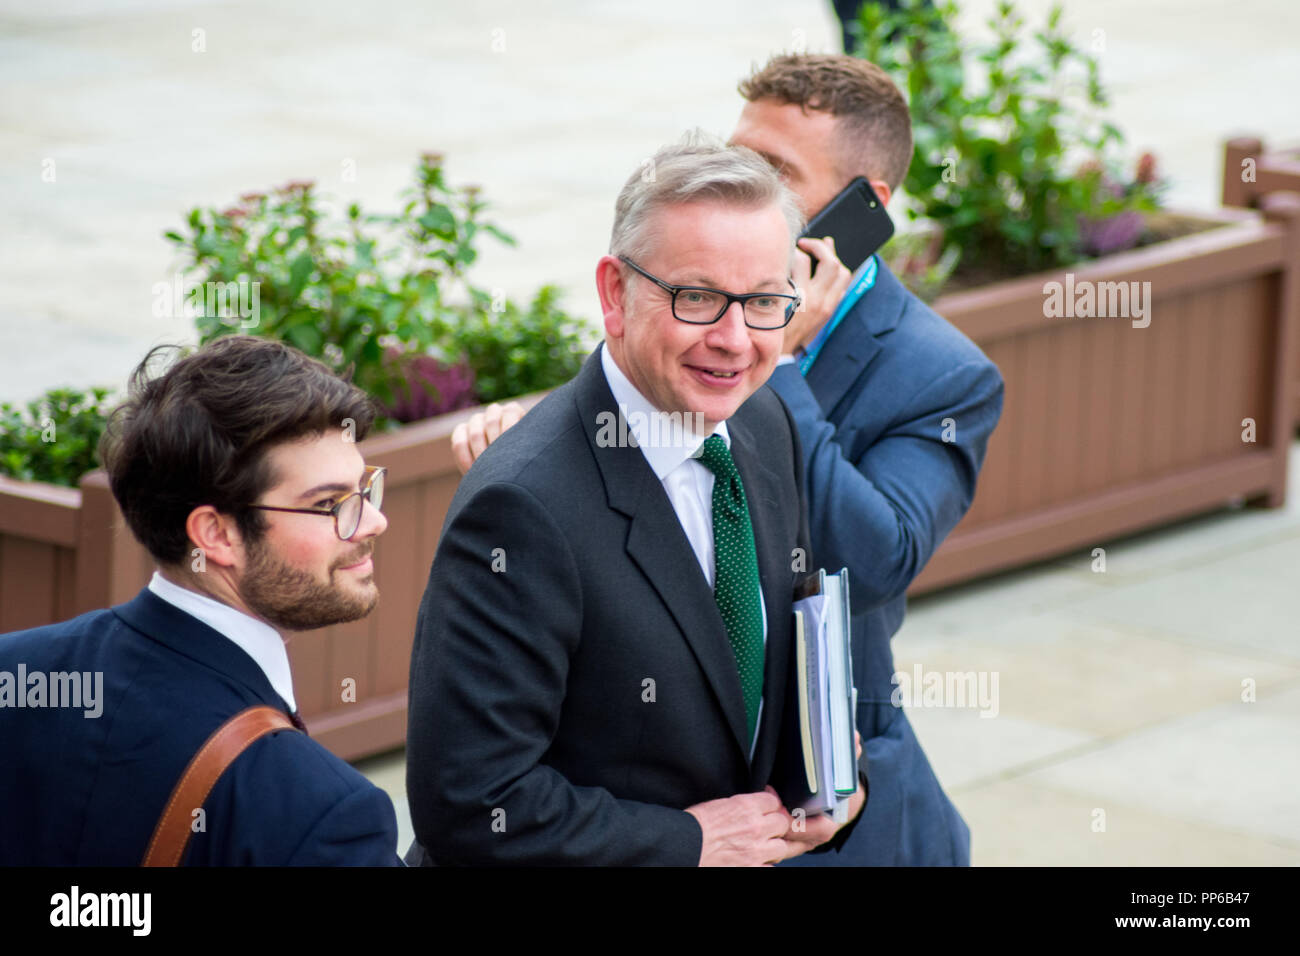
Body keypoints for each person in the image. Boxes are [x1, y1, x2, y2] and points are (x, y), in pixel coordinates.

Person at [451, 54, 1004, 866]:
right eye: (739, 153)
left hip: (829, 778)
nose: (732, 334)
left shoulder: (941, 374)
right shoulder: (691, 288)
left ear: (867, 204)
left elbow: (876, 559)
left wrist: (784, 366)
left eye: (775, 168)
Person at [406, 137, 865, 866]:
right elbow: (471, 803)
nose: (735, 340)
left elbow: (765, 659)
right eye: (699, 297)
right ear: (614, 294)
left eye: (765, 302)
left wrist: (832, 774)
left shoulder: (763, 419)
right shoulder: (521, 507)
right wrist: (689, 843)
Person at [0, 335, 403, 865]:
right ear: (216, 534)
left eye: (365, 489)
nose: (375, 521)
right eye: (329, 503)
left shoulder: (16, 672)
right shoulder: (322, 811)